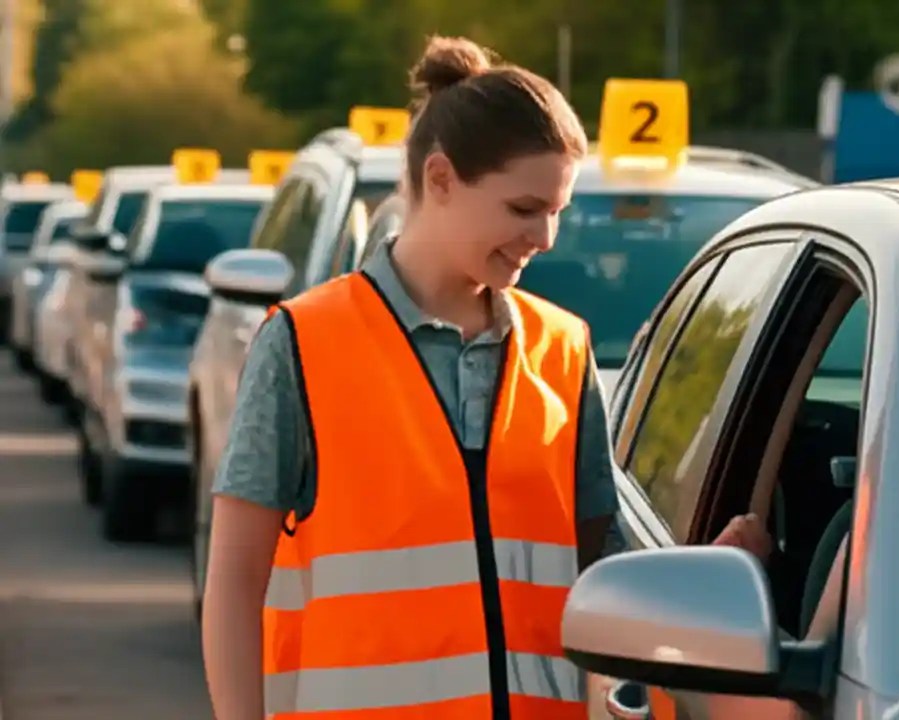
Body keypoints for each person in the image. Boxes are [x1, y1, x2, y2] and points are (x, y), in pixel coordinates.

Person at [202, 35, 619, 720]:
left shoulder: (564, 349)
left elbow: (606, 571)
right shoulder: (303, 344)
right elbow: (235, 582)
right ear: (441, 178)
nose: (546, 237)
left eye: (558, 211)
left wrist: (706, 571)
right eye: (524, 209)